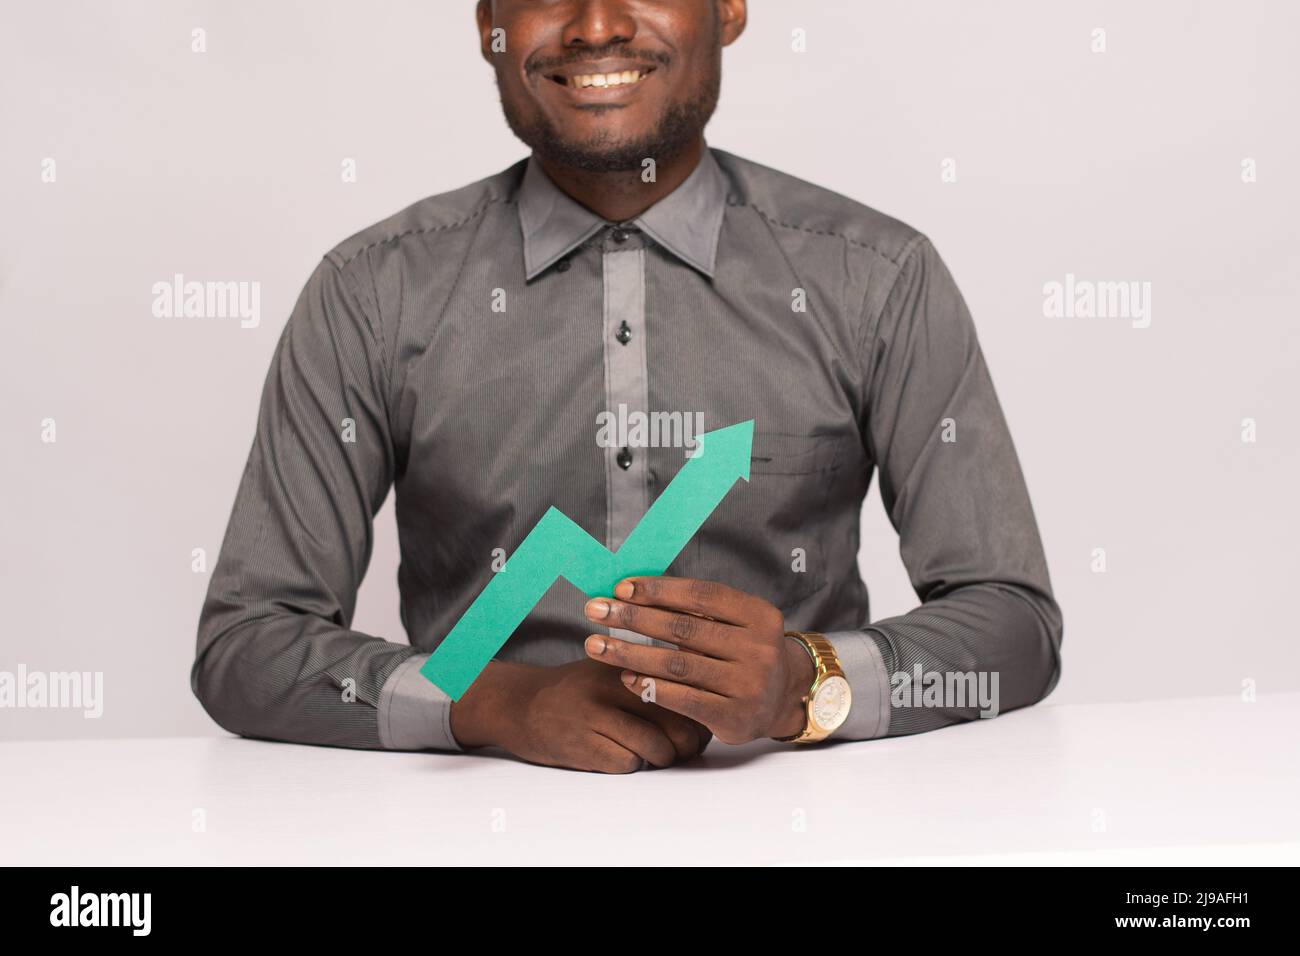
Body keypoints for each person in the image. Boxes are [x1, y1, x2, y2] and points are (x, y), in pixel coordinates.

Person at [193, 0, 1062, 773]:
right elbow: (247, 645)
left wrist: (805, 681)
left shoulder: (876, 276)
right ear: (487, 23)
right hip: (471, 833)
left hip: (803, 824)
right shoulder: (371, 293)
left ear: (729, 8)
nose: (596, 24)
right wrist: (496, 704)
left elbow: (1014, 624)